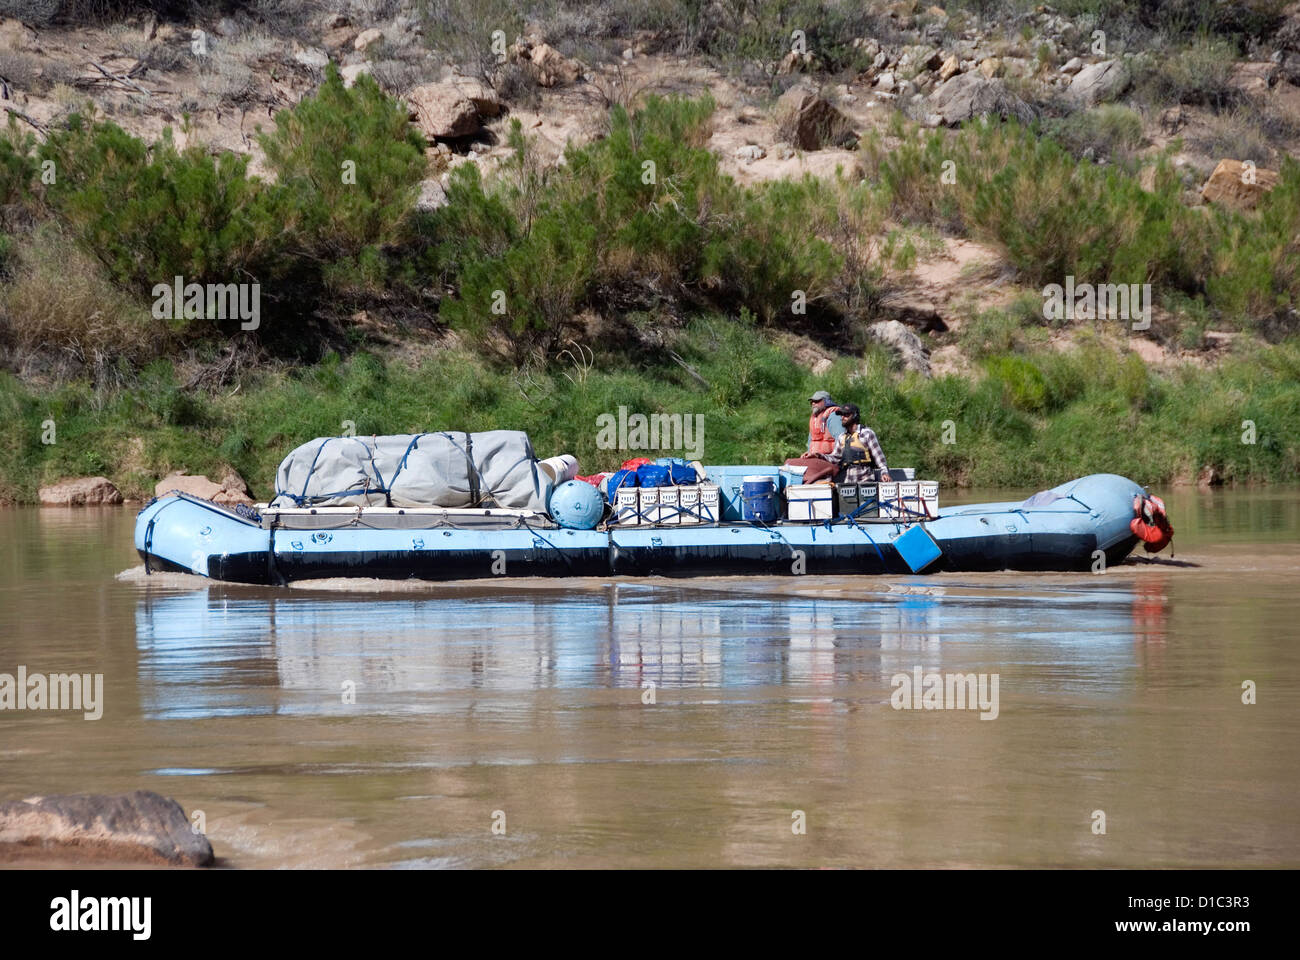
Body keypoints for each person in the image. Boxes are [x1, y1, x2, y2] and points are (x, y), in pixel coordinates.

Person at [784, 390, 845, 484]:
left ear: (826, 401)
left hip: (831, 461)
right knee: (789, 463)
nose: (813, 403)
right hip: (817, 460)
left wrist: (827, 457)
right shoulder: (815, 419)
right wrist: (808, 453)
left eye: (817, 401)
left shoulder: (834, 417)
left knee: (792, 463)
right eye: (812, 401)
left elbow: (842, 440)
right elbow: (811, 442)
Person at [828, 403, 892, 484]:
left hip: (865, 480)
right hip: (847, 481)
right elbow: (835, 458)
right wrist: (818, 456)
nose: (842, 417)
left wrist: (884, 473)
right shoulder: (842, 437)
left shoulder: (867, 433)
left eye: (846, 415)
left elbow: (880, 459)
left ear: (855, 416)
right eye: (841, 415)